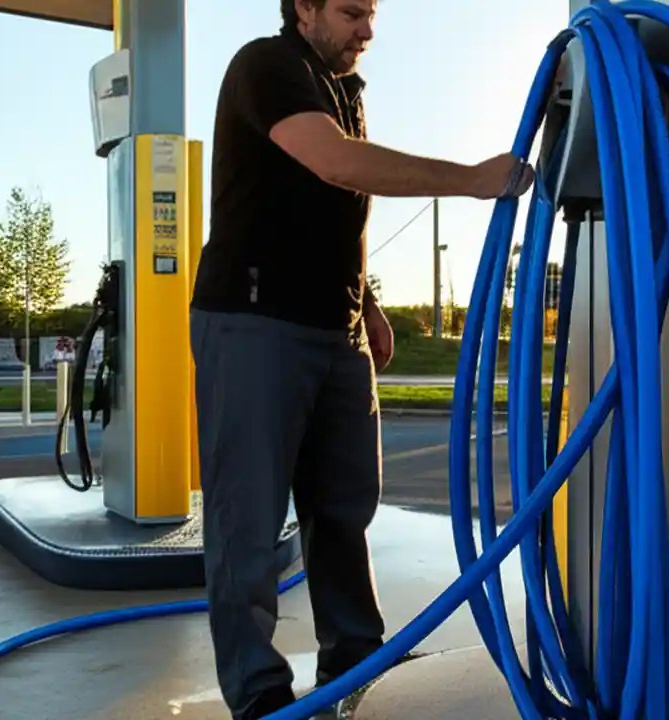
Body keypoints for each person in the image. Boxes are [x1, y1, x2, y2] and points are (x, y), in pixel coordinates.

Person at [188, 1, 534, 717]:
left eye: (372, 14)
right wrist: (471, 176)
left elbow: (326, 211)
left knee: (344, 507)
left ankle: (354, 657)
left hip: (334, 326)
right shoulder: (269, 66)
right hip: (255, 322)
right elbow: (338, 164)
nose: (367, 31)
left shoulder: (343, 86)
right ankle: (260, 695)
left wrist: (367, 299)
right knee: (248, 521)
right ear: (304, 7)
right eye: (351, 12)